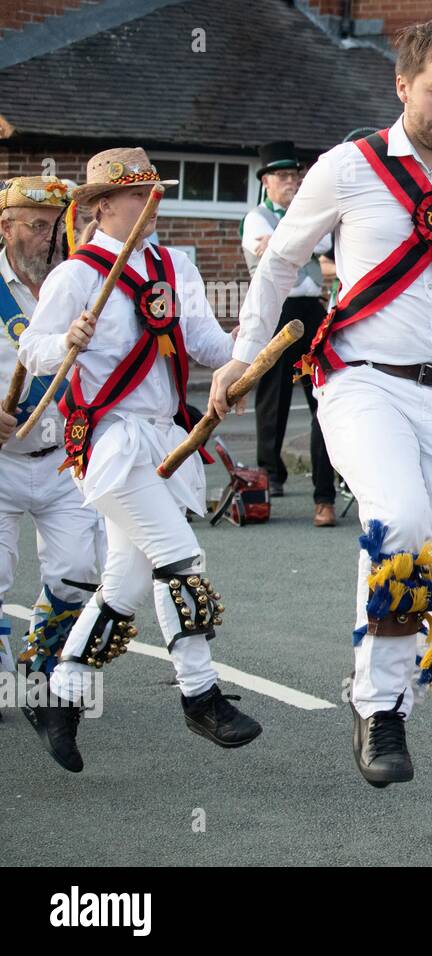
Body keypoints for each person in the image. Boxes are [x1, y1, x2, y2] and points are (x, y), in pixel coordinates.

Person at [211, 16, 432, 788]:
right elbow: (280, 260)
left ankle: (390, 666)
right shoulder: (347, 168)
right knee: (396, 520)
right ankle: (380, 706)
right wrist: (242, 352)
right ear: (402, 86)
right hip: (362, 380)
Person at [20, 148, 262, 772]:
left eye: (155, 192)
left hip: (161, 439)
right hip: (110, 444)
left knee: (124, 583)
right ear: (102, 208)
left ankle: (61, 696)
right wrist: (65, 340)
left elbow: (205, 343)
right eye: (138, 194)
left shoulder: (176, 266)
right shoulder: (75, 276)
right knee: (180, 556)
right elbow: (35, 350)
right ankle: (200, 695)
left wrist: (250, 347)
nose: (152, 203)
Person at [0, 175, 101, 713]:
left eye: (53, 229)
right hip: (1, 460)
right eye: (36, 227)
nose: (48, 239)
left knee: (77, 571)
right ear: (6, 227)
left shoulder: (75, 283)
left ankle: (40, 665)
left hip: (64, 458)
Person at [241, 140, 338, 525]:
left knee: (322, 391)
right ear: (265, 181)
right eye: (282, 176)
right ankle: (271, 471)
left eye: (294, 176)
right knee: (273, 394)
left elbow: (325, 241)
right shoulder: (256, 217)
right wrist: (302, 240)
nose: (291, 182)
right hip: (278, 309)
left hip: (311, 308)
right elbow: (264, 249)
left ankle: (325, 477)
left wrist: (289, 238)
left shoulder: (300, 215)